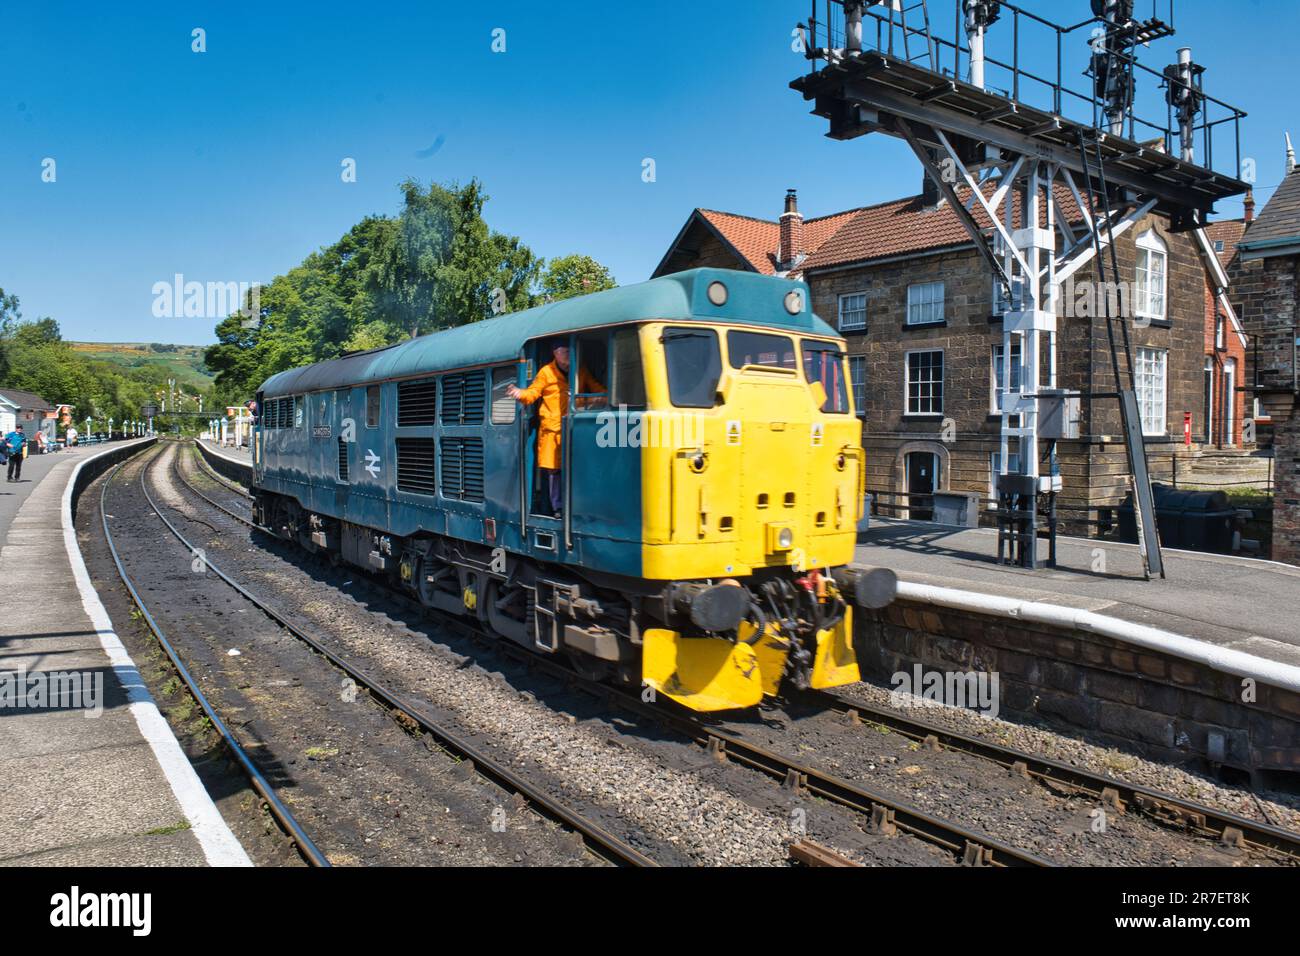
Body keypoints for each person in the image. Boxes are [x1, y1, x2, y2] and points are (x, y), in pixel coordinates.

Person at [507, 339, 605, 516]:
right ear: (555, 353)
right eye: (563, 351)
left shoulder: (580, 371)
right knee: (554, 471)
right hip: (552, 431)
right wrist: (519, 393)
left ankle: (578, 506)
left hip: (576, 428)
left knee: (577, 467)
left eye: (569, 350)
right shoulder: (546, 372)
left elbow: (598, 392)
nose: (567, 354)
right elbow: (532, 393)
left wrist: (592, 399)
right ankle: (558, 508)